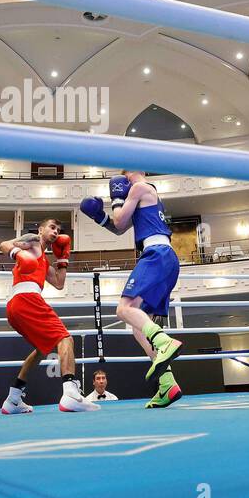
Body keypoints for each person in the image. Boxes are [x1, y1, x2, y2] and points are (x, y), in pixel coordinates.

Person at [80, 170, 184, 408]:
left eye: (125, 173)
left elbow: (119, 220)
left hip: (156, 254)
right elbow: (119, 227)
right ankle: (168, 384)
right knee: (138, 327)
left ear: (136, 171)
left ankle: (164, 341)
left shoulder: (139, 187)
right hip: (164, 257)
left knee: (123, 309)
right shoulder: (145, 195)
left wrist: (116, 199)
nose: (123, 177)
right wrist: (99, 217)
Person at [0, 219, 96, 413]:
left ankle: (13, 399)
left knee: (43, 349)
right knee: (65, 338)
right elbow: (3, 245)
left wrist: (63, 259)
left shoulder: (43, 259)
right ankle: (70, 393)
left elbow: (59, 283)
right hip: (27, 299)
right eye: (52, 228)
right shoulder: (32, 242)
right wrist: (18, 253)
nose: (56, 232)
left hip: (16, 307)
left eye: (58, 230)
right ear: (41, 229)